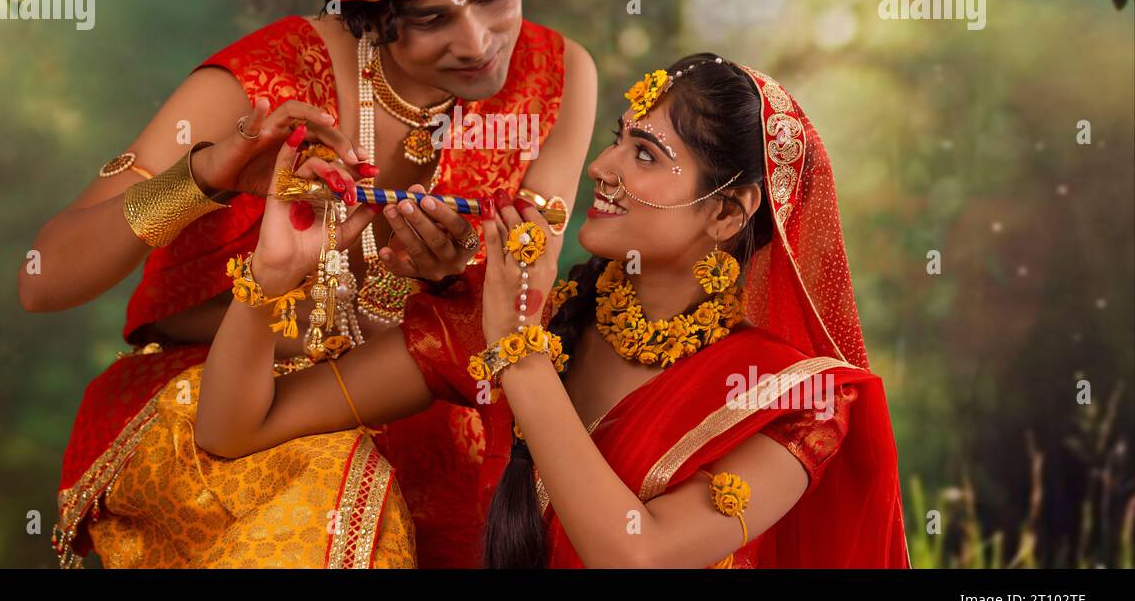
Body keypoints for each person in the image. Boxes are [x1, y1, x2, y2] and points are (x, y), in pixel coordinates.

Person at [26, 0, 597, 566]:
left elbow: (517, 306)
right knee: (329, 496)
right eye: (431, 20)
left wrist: (453, 282)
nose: (479, 41)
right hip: (210, 406)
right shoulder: (267, 78)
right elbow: (45, 279)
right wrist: (204, 178)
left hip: (414, 402)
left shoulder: (554, 80)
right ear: (369, 18)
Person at [196, 53, 910, 568]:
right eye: (615, 141)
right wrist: (273, 275)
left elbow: (639, 554)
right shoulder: (521, 318)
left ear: (726, 212)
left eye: (646, 154)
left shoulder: (796, 398)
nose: (602, 168)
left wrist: (519, 356)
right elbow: (235, 428)